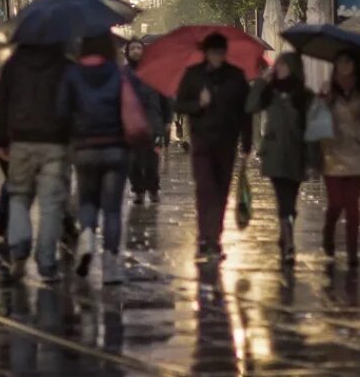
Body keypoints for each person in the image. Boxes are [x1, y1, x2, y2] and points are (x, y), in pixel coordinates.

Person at [0, 39, 70, 283]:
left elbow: (1, 103)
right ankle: (46, 263)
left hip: (21, 141)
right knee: (50, 204)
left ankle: (19, 252)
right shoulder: (64, 65)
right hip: (55, 143)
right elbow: (70, 105)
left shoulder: (14, 64)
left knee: (19, 197)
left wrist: (1, 139)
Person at [57, 32, 128, 285]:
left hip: (84, 149)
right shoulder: (119, 74)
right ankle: (110, 263)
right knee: (111, 209)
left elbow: (62, 113)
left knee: (87, 201)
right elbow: (130, 111)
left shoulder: (72, 75)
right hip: (115, 148)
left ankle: (86, 237)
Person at [176, 32, 253, 263]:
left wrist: (247, 143)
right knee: (205, 189)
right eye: (213, 52)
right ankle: (204, 238)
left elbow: (245, 113)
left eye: (220, 52)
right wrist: (198, 104)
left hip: (226, 143)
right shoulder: (193, 76)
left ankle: (214, 238)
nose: (217, 56)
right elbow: (179, 104)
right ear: (206, 53)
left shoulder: (236, 77)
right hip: (201, 142)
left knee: (220, 192)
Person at [246, 52, 314, 265]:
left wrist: (312, 161)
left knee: (290, 202)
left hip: (296, 154)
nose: (278, 69)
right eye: (278, 65)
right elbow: (250, 106)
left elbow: (312, 132)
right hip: (275, 154)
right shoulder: (270, 91)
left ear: (293, 68)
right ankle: (289, 242)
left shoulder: (304, 96)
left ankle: (286, 234)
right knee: (283, 200)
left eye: (283, 65)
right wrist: (260, 83)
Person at [320, 51, 360, 268]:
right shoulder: (328, 89)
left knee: (352, 206)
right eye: (341, 61)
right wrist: (323, 98)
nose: (345, 64)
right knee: (336, 203)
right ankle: (328, 234)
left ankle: (352, 252)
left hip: (357, 152)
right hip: (332, 153)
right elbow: (316, 119)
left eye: (349, 60)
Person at [124, 39, 166, 204]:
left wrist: (167, 120)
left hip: (153, 124)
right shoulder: (124, 73)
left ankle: (153, 189)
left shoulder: (153, 72)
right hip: (130, 125)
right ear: (128, 52)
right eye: (132, 48)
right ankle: (138, 190)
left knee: (151, 161)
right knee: (133, 161)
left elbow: (164, 97)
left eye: (139, 48)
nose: (136, 51)